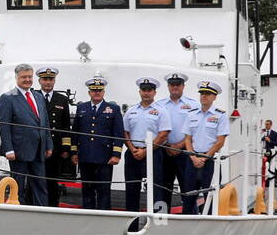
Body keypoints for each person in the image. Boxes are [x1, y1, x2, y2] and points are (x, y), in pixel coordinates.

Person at [0, 63, 53, 205]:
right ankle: (17, 212)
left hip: (39, 150)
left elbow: (44, 123)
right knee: (18, 186)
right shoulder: (7, 98)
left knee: (40, 185)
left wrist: (48, 145)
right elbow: (4, 126)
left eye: (29, 76)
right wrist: (8, 149)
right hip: (19, 150)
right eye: (23, 77)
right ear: (16, 78)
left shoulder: (38, 97)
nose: (27, 79)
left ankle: (42, 212)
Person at [70, 75, 124, 210]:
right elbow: (76, 131)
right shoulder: (82, 108)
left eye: (99, 90)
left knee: (103, 190)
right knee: (87, 189)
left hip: (104, 157)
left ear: (103, 92)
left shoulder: (113, 109)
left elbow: (118, 133)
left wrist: (116, 154)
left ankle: (104, 217)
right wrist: (74, 151)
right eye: (94, 90)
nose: (97, 92)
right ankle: (88, 216)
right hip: (85, 156)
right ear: (89, 92)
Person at [122, 77, 172, 215]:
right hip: (133, 153)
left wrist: (146, 151)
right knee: (131, 189)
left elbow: (163, 134)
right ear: (139, 92)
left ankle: (158, 223)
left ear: (154, 92)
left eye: (149, 90)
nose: (146, 93)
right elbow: (125, 131)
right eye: (144, 90)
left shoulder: (162, 111)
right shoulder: (131, 111)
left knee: (156, 189)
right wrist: (132, 148)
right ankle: (131, 223)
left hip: (154, 153)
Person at [182, 80, 230, 215]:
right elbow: (187, 139)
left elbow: (220, 141)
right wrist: (193, 157)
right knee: (189, 197)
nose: (204, 96)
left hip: (210, 161)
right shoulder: (191, 114)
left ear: (214, 97)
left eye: (208, 93)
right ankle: (187, 224)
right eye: (202, 93)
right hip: (192, 160)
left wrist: (203, 158)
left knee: (211, 197)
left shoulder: (220, 115)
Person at [157, 71, 198, 213]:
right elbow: (155, 128)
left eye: (178, 84)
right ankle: (160, 220)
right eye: (172, 84)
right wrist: (167, 145)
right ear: (168, 86)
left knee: (188, 187)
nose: (175, 87)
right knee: (162, 187)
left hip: (185, 152)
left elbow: (197, 128)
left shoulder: (193, 105)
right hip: (164, 151)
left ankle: (190, 219)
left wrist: (180, 146)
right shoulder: (159, 105)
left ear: (183, 86)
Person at [36, 66, 73, 206]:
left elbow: (65, 126)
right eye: (45, 79)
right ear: (39, 80)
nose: (48, 82)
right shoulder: (34, 96)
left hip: (55, 148)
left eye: (51, 79)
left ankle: (52, 207)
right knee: (35, 180)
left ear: (54, 80)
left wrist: (66, 149)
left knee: (52, 181)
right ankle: (32, 206)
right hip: (37, 147)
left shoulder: (62, 100)